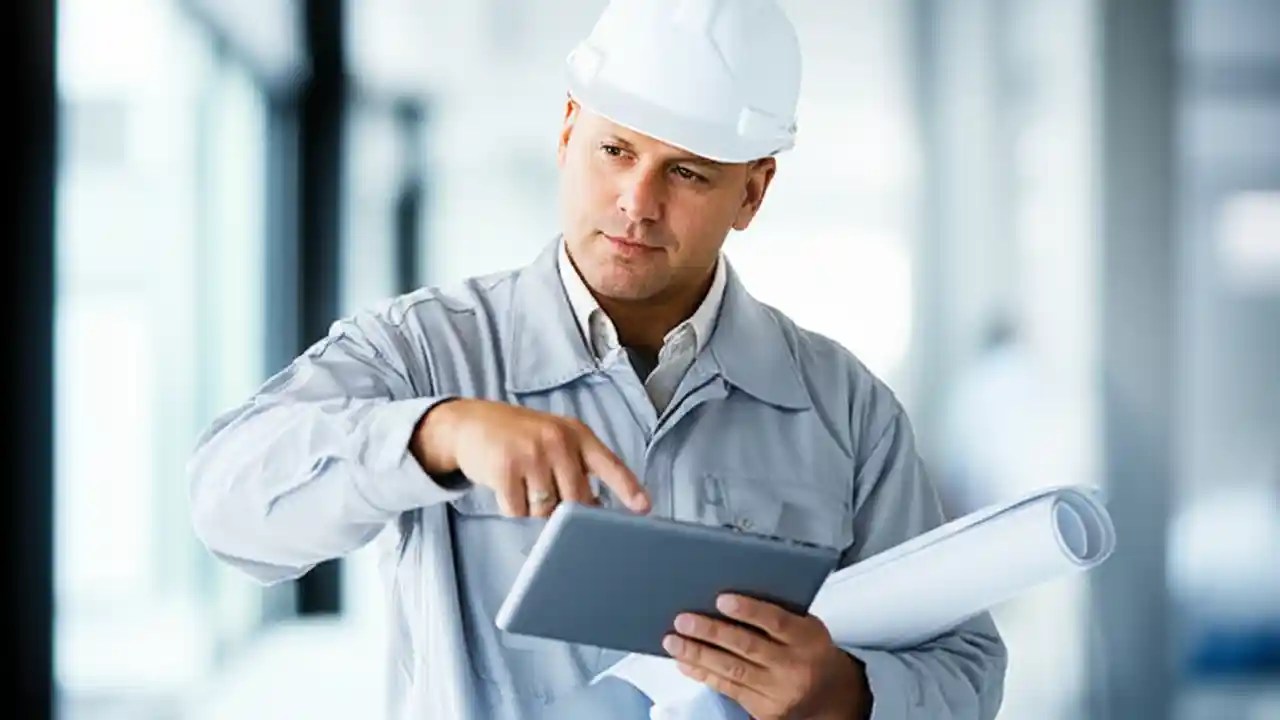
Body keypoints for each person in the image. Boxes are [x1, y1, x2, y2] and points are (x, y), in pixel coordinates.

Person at [187, 0, 1007, 717]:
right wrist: (441, 433)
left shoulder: (847, 411)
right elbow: (226, 504)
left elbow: (966, 665)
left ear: (753, 192)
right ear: (568, 131)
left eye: (687, 173)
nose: (637, 203)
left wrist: (843, 695)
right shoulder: (426, 349)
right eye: (616, 151)